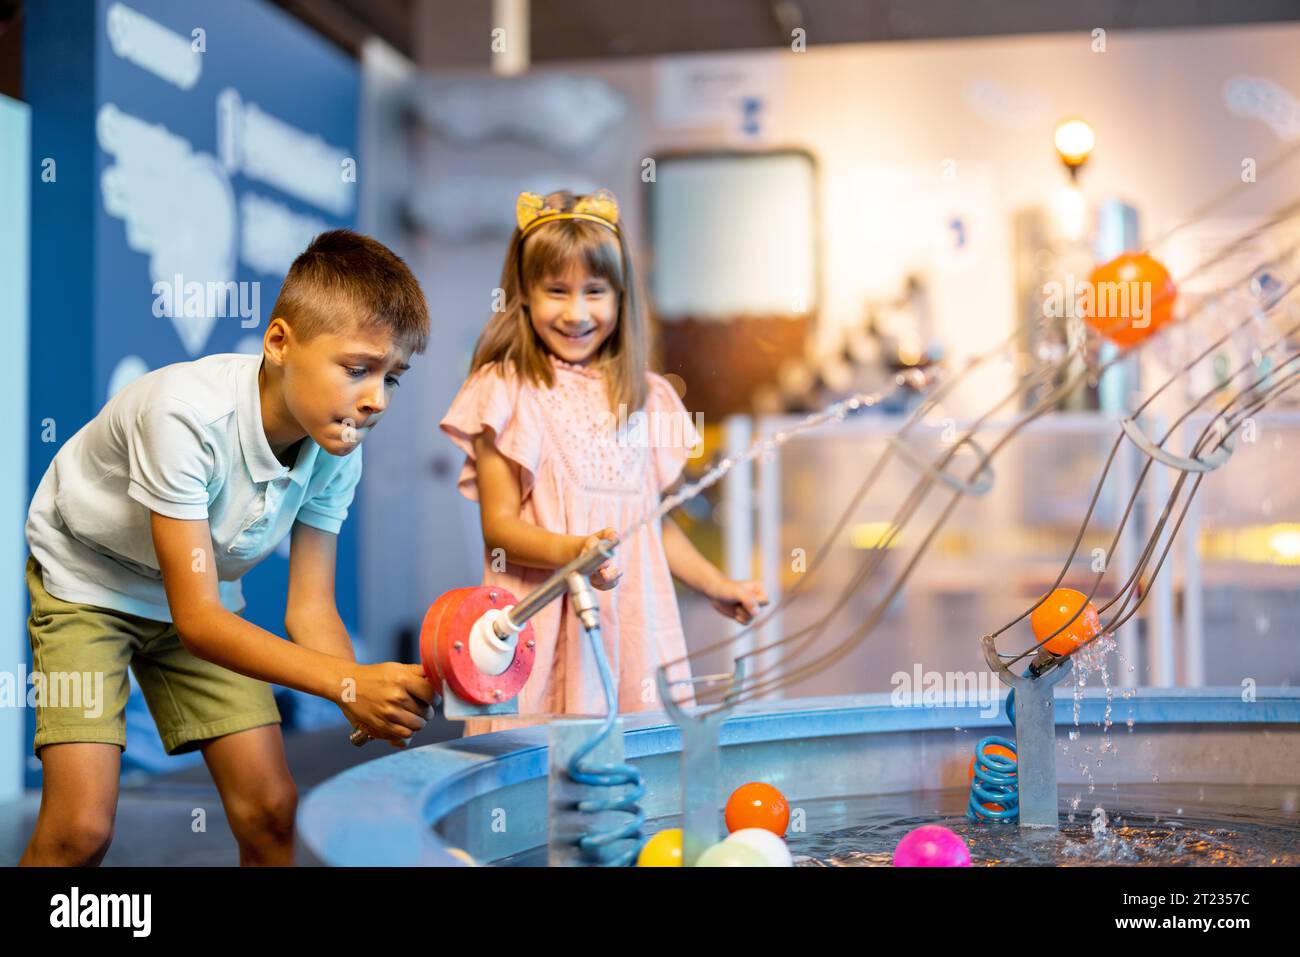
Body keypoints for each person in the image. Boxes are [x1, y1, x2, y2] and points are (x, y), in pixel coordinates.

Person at [21, 230, 435, 865]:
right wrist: (350, 683)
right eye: (357, 369)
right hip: (87, 585)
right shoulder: (183, 416)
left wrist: (362, 703)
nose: (375, 399)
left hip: (200, 599)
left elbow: (311, 611)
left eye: (392, 378)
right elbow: (200, 623)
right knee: (79, 831)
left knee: (271, 810)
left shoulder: (337, 447)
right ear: (278, 344)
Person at [440, 189, 767, 736]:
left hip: (635, 627)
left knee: (635, 780)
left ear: (620, 297)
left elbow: (653, 526)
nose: (576, 313)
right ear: (523, 295)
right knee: (539, 778)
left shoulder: (648, 396)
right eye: (556, 292)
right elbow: (498, 529)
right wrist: (575, 553)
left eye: (595, 292)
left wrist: (716, 584)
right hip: (543, 623)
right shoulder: (504, 389)